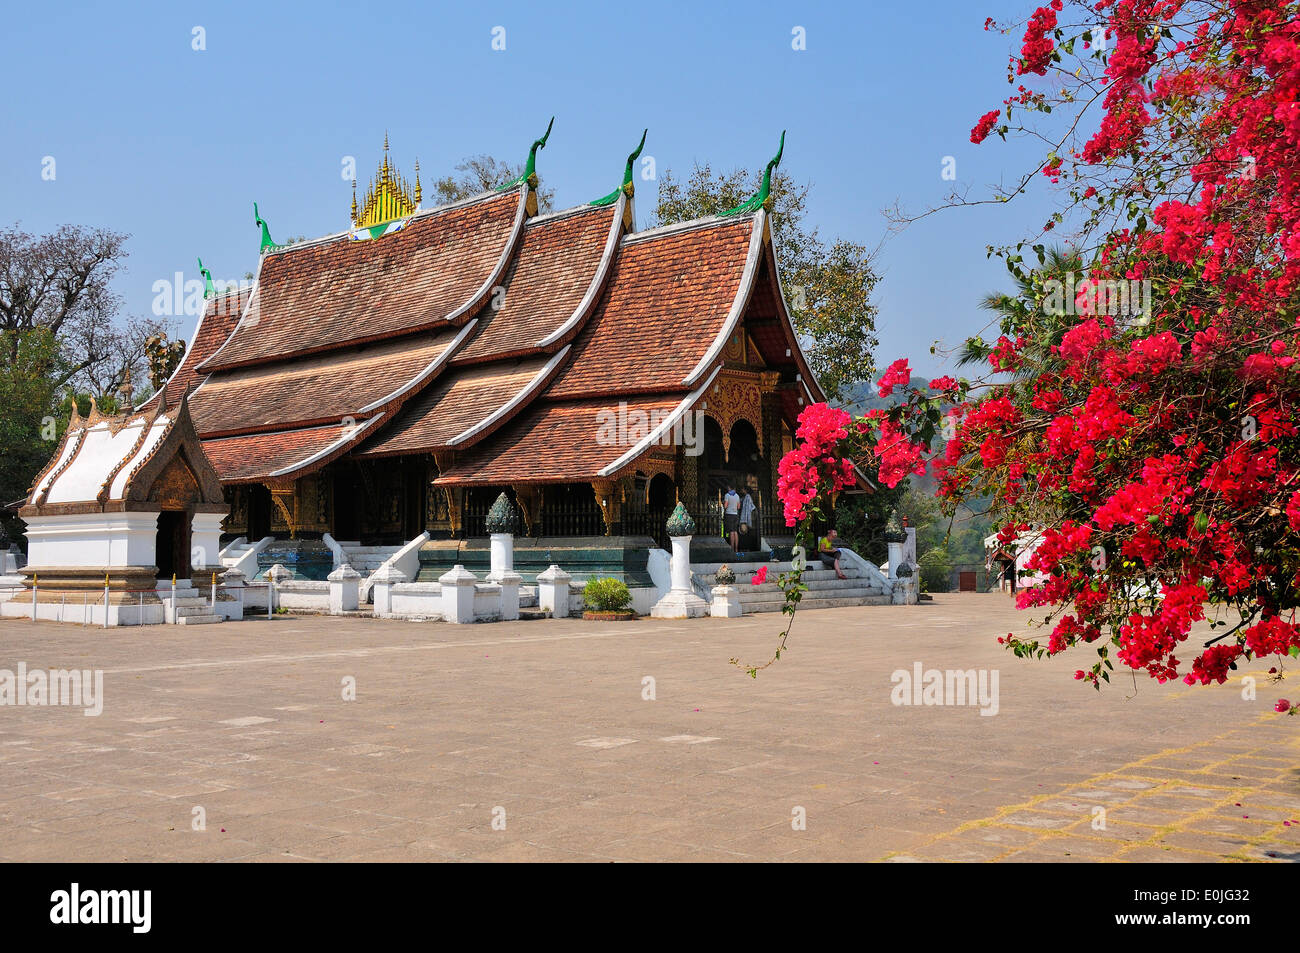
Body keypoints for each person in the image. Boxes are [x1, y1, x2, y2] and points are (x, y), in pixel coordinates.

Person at [723, 483, 741, 552]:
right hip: (735, 515)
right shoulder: (737, 496)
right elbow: (738, 507)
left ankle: (732, 548)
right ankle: (736, 549)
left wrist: (723, 503)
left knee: (731, 532)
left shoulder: (727, 495)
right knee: (735, 532)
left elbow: (725, 506)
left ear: (729, 487)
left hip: (729, 514)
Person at [738, 484, 756, 553]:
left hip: (746, 518)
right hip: (746, 518)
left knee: (746, 534)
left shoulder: (747, 497)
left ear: (745, 490)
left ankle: (746, 548)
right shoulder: (745, 497)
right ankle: (745, 548)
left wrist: (744, 520)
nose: (741, 490)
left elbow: (746, 510)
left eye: (742, 489)